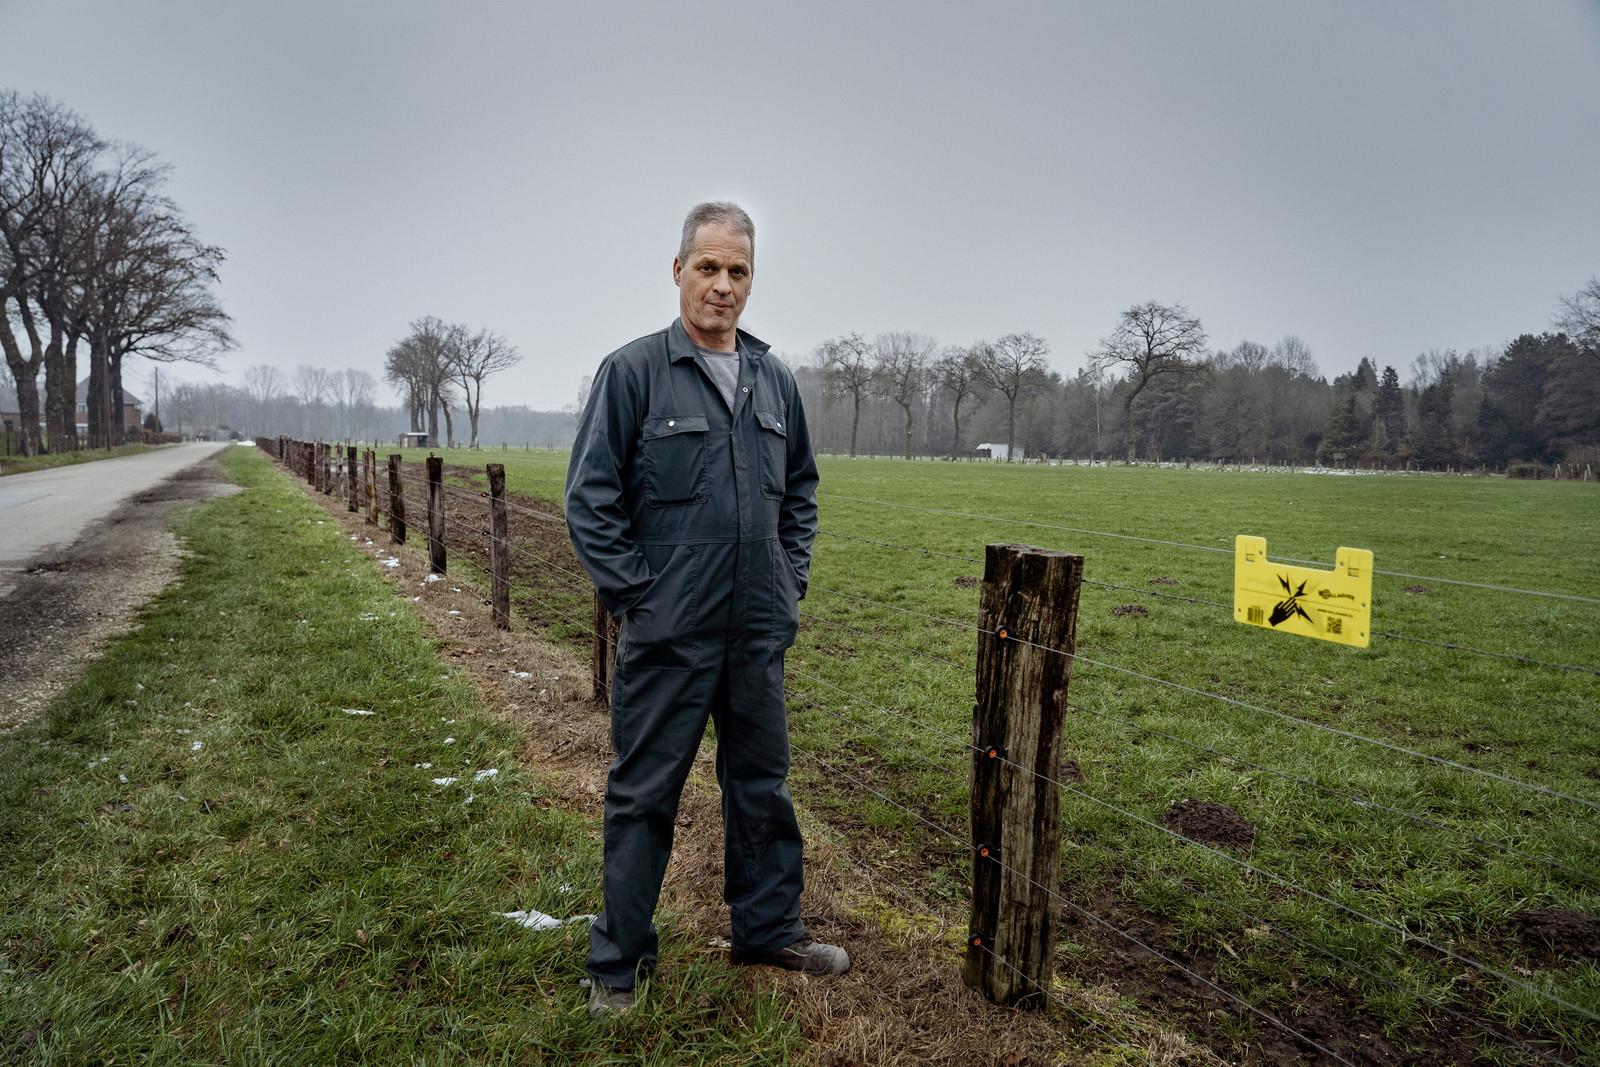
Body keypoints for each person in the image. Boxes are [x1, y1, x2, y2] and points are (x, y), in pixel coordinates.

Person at [565, 202, 847, 1018]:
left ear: (752, 279)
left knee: (761, 785)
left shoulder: (773, 380)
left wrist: (787, 586)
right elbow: (591, 501)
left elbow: (800, 495)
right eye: (709, 268)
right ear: (678, 270)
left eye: (739, 271)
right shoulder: (634, 373)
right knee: (643, 792)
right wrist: (641, 601)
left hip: (756, 631)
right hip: (669, 634)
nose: (723, 286)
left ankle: (768, 929)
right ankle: (618, 962)